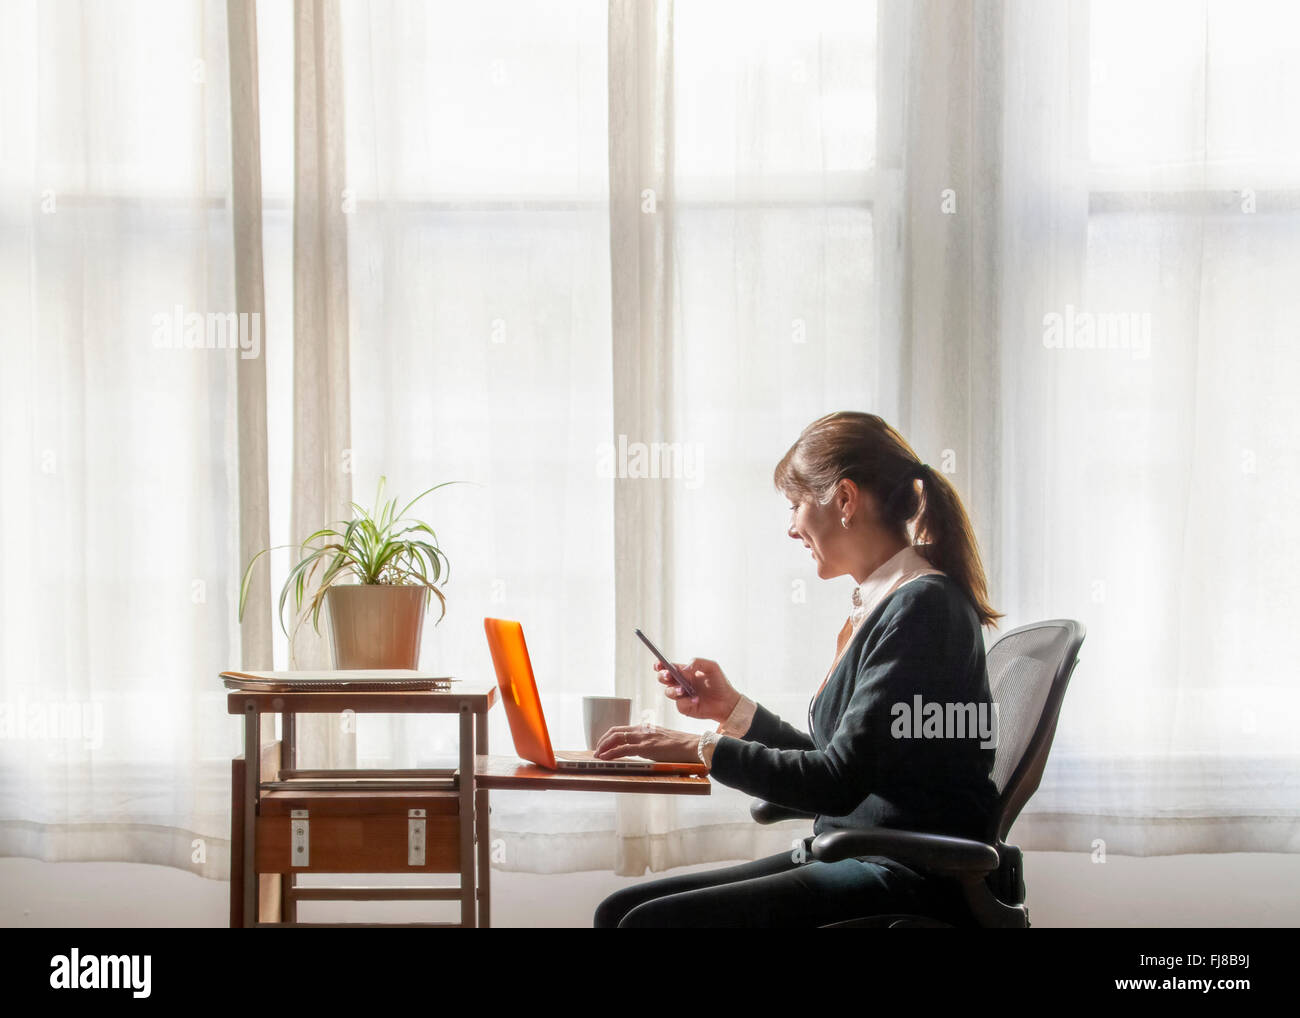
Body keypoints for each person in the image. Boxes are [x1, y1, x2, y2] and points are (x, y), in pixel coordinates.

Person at [592, 410, 1004, 927]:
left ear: (846, 501)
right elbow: (841, 763)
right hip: (855, 852)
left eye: (796, 505)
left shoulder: (923, 609)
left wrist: (701, 750)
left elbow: (835, 782)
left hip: (907, 875)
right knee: (619, 911)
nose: (791, 528)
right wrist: (732, 711)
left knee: (646, 923)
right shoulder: (889, 605)